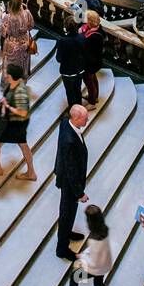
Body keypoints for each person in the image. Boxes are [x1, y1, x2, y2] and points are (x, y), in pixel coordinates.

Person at [54, 204, 126, 286]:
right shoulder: (104, 230)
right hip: (105, 265)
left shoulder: (94, 239)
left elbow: (93, 261)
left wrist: (81, 256)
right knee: (98, 284)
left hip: (96, 268)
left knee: (74, 279)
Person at [0, 63, 35, 181]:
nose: (5, 74)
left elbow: (23, 112)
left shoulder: (20, 91)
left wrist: (8, 106)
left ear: (11, 76)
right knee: (22, 144)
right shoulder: (15, 84)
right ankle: (31, 172)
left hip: (14, 123)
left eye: (7, 72)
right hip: (10, 120)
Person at [54, 104, 89, 258]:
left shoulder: (65, 122)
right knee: (66, 213)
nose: (87, 120)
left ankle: (67, 232)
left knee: (69, 211)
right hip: (70, 183)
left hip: (68, 176)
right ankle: (62, 249)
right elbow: (71, 170)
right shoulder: (69, 141)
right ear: (75, 118)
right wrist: (80, 193)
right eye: (84, 118)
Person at [0, 0, 35, 83]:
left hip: (11, 44)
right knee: (23, 63)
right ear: (20, 3)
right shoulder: (27, 13)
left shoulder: (7, 17)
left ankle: (9, 83)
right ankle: (21, 82)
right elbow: (31, 26)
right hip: (24, 42)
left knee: (10, 64)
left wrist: (1, 16)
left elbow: (3, 33)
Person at [77, 9, 103, 108]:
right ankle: (95, 97)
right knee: (93, 79)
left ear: (90, 22)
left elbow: (85, 46)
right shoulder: (97, 29)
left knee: (89, 82)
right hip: (94, 61)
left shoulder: (94, 36)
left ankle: (92, 101)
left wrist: (81, 35)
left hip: (91, 63)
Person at [56, 17, 83, 110]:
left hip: (68, 72)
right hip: (79, 69)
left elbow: (58, 58)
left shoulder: (63, 41)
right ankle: (80, 108)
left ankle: (74, 111)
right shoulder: (82, 37)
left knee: (70, 92)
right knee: (78, 90)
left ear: (66, 27)